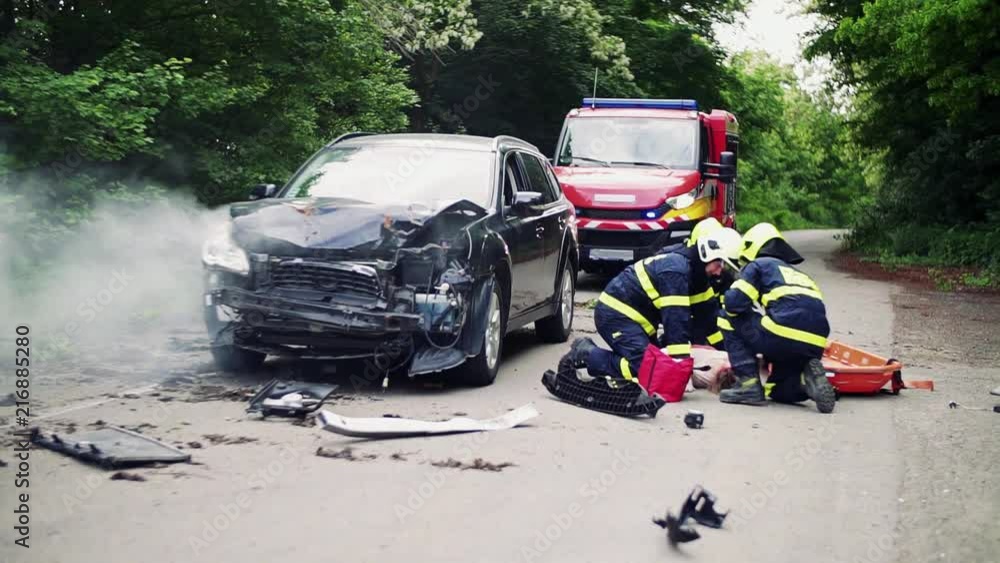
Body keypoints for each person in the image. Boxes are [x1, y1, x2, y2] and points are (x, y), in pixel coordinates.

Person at [566, 226, 742, 384]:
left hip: (638, 323)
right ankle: (587, 354)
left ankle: (615, 356)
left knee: (657, 366)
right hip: (615, 316)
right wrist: (681, 366)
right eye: (719, 263)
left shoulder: (698, 278)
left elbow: (709, 323)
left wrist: (731, 358)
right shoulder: (675, 271)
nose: (719, 271)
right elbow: (676, 321)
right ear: (707, 253)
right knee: (648, 369)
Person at [717, 223, 837, 413]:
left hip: (781, 333)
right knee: (777, 390)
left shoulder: (758, 265)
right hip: (815, 345)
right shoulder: (802, 275)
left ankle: (748, 385)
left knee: (726, 315)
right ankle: (807, 386)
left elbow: (734, 303)